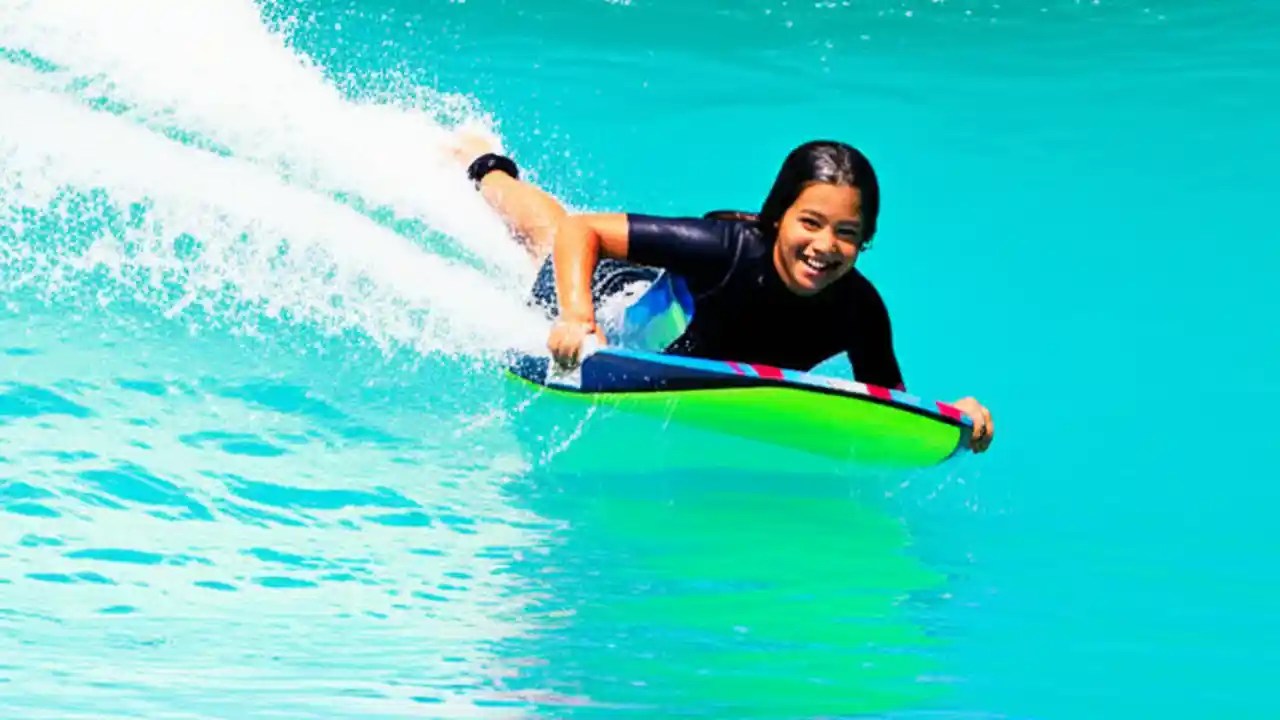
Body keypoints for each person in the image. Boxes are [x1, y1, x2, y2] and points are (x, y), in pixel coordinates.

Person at [452, 132, 994, 453]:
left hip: (685, 364)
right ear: (778, 217)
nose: (825, 246)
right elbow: (583, 232)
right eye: (810, 222)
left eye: (847, 234)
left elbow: (891, 408)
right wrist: (576, 316)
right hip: (611, 306)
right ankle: (487, 169)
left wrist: (954, 417)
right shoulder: (727, 248)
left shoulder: (860, 308)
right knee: (547, 238)